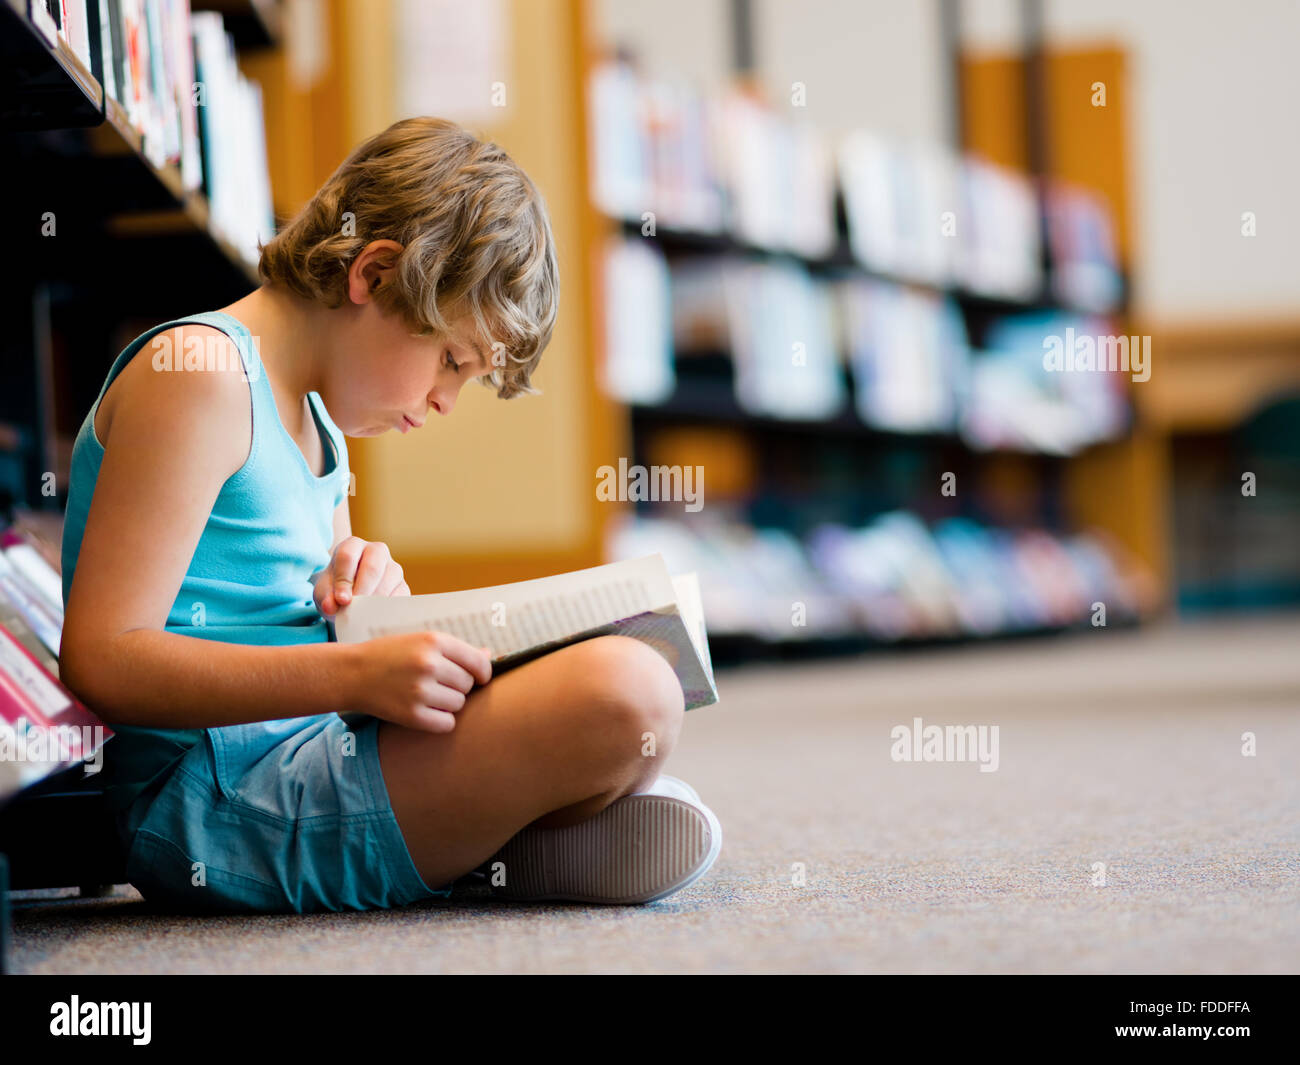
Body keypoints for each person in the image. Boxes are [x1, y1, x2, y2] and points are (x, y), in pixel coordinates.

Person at [58, 116, 721, 914]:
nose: (445, 401)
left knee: (628, 681)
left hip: (312, 742)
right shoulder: (198, 375)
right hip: (212, 797)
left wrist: (361, 596)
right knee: (628, 694)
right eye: (450, 360)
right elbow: (103, 659)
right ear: (372, 272)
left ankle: (492, 840)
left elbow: (301, 615)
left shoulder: (319, 417)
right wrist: (356, 672)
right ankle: (497, 846)